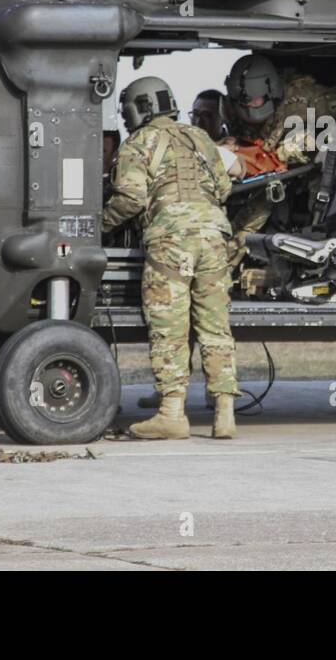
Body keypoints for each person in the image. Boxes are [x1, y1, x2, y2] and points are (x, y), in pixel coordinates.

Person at [102, 76, 240, 440]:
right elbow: (224, 188)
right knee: (215, 326)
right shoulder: (200, 138)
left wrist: (101, 224)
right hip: (214, 236)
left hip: (171, 240)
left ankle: (172, 413)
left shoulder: (139, 142)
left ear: (136, 109)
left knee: (170, 328)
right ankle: (224, 412)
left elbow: (131, 198)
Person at [223, 54, 336, 261]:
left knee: (323, 205)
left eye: (255, 100)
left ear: (272, 91)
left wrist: (294, 146)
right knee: (245, 223)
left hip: (316, 165)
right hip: (271, 175)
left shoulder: (307, 99)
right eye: (244, 102)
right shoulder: (233, 108)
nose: (250, 106)